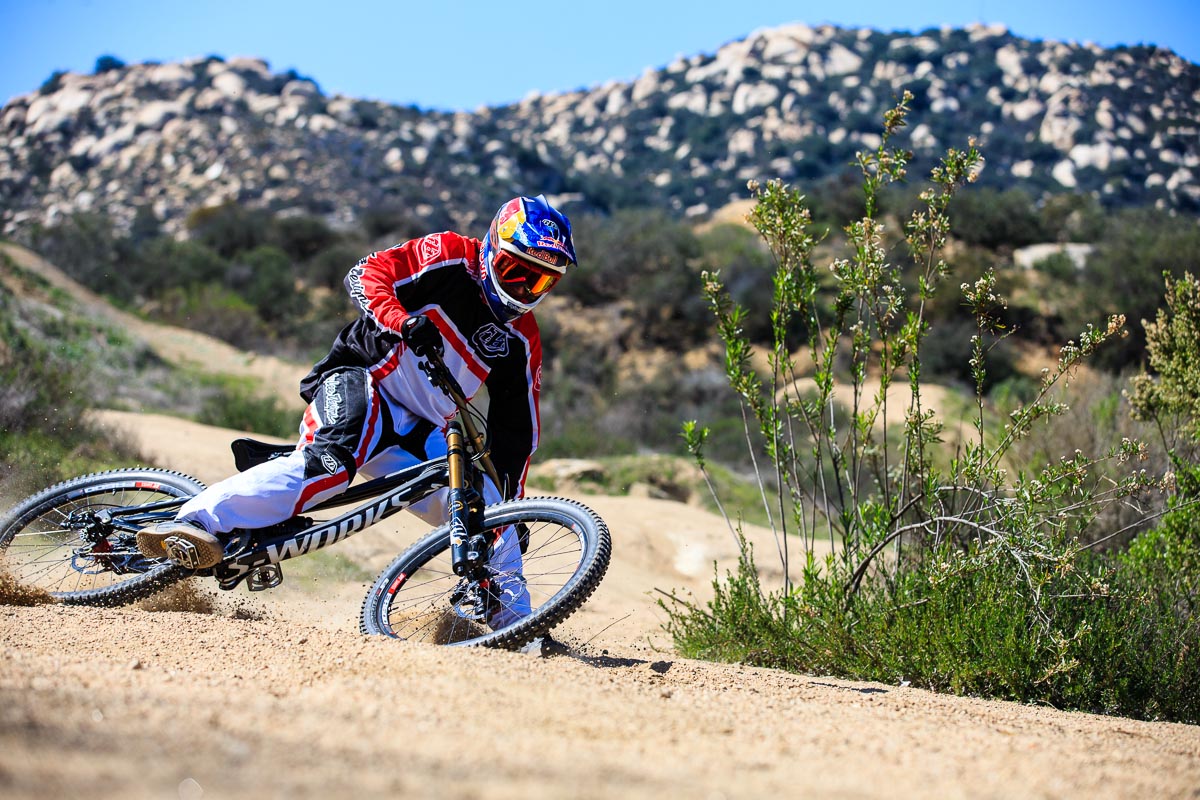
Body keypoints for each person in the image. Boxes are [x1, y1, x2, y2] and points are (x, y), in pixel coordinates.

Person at [137, 194, 576, 627]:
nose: (521, 288)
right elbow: (368, 274)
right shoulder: (448, 255)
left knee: (488, 513)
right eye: (515, 270)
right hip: (363, 380)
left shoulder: (522, 339)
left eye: (539, 282)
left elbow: (518, 433)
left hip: (422, 429)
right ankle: (195, 522)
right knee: (328, 468)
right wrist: (401, 321)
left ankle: (515, 625)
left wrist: (513, 510)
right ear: (492, 249)